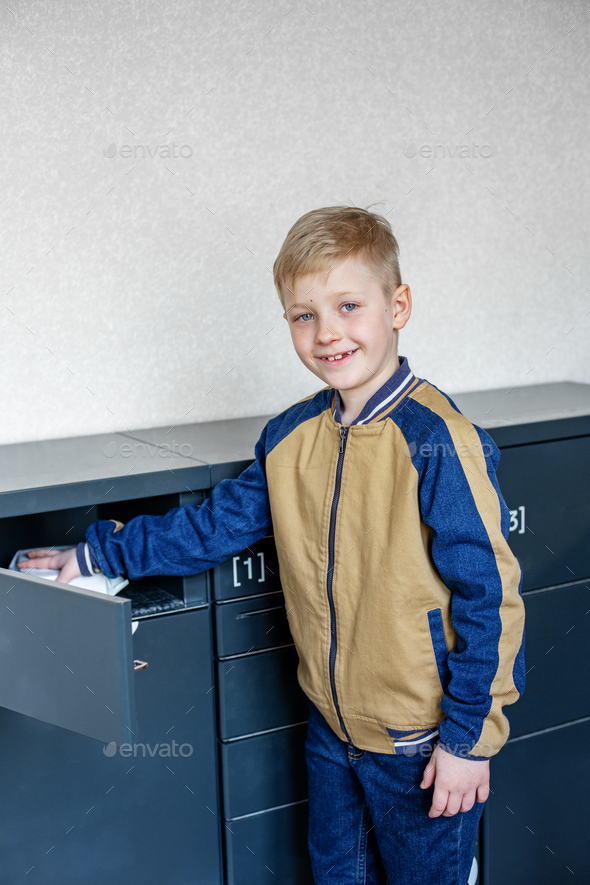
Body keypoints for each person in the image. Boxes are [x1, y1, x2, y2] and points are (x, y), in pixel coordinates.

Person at [20, 206, 525, 885]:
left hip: (423, 742)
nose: (327, 333)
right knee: (336, 875)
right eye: (303, 315)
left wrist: (469, 738)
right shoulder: (291, 436)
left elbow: (488, 595)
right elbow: (212, 526)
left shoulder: (437, 439)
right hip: (332, 734)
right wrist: (94, 555)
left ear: (398, 305)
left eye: (348, 305)